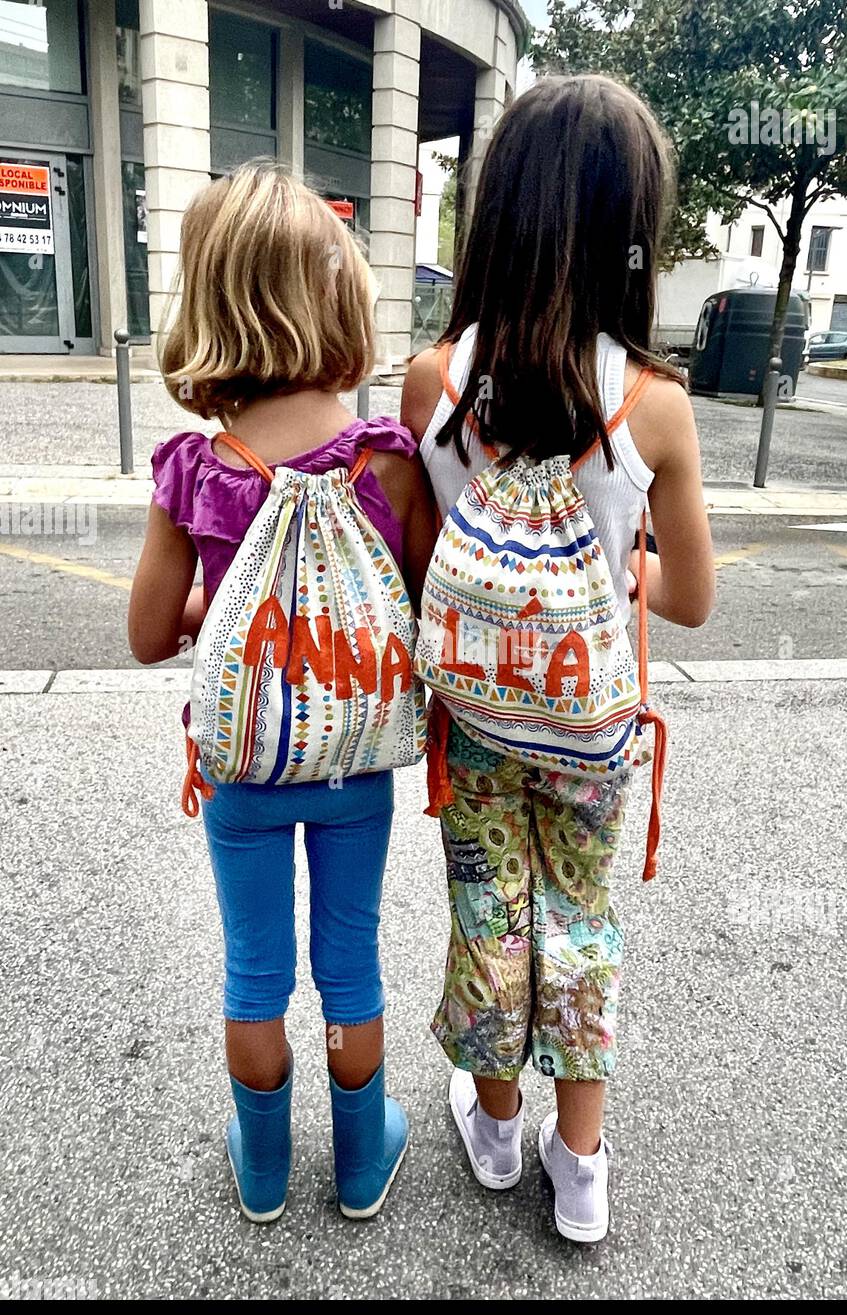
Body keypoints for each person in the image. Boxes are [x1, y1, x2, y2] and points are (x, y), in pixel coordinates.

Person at [402, 75, 715, 1243]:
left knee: (490, 904)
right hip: (590, 725)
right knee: (579, 914)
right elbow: (686, 597)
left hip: (477, 716)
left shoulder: (437, 379)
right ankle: (576, 1166)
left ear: (498, 213)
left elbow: (428, 563)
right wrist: (606, 577)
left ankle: (490, 1130)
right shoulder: (654, 404)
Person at [128, 161, 437, 1223]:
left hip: (244, 775)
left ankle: (262, 1168)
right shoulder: (387, 462)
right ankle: (360, 1157)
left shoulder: (194, 470)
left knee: (253, 969)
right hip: (354, 762)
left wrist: (210, 614)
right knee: (347, 958)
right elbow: (410, 611)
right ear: (339, 300)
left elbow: (141, 636)